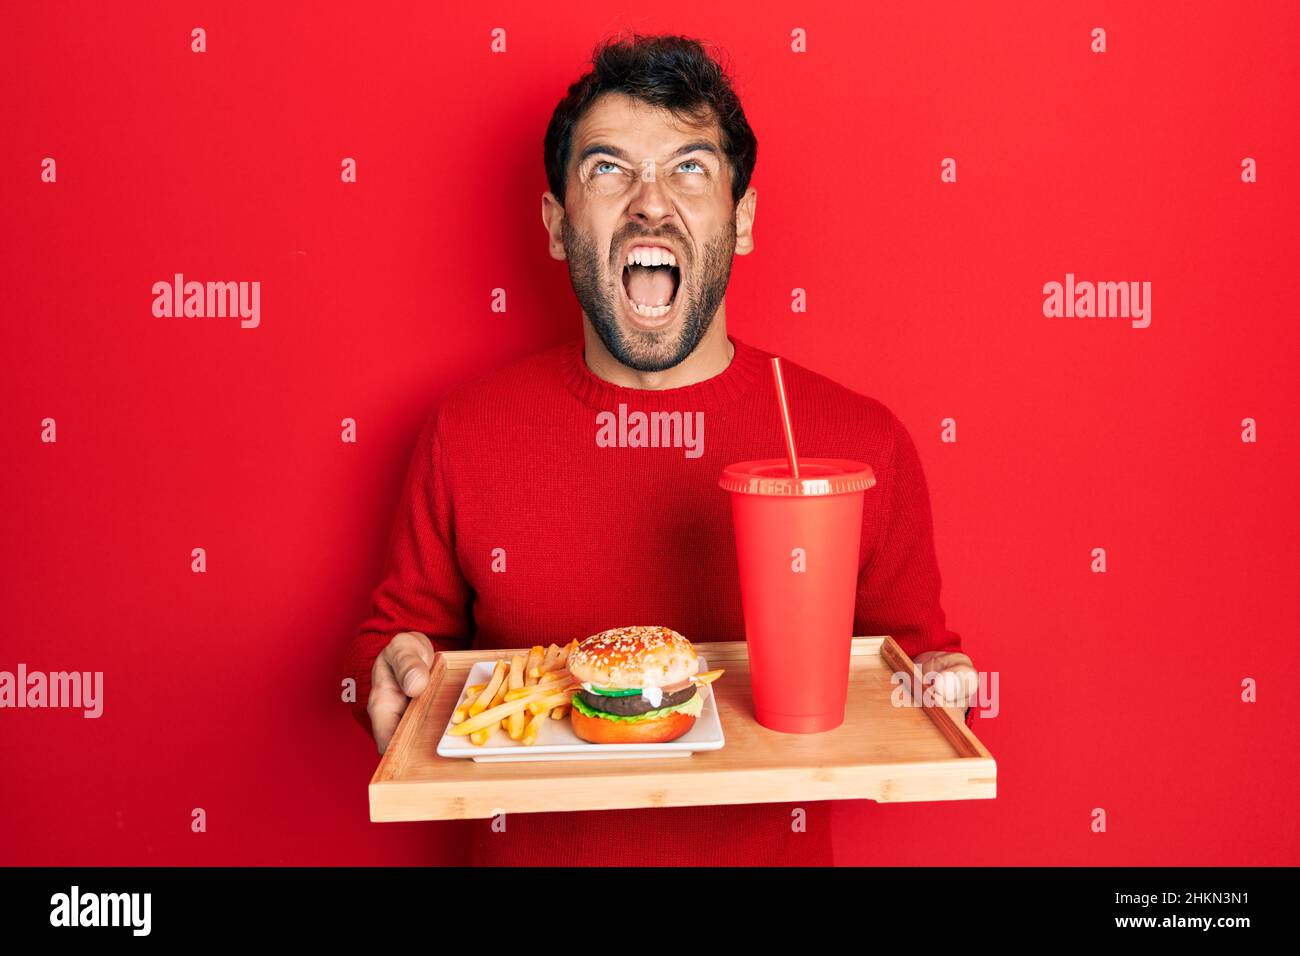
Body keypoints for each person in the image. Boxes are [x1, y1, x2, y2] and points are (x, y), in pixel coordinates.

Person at [343, 32, 978, 867]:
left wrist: (946, 684)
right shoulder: (465, 432)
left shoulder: (856, 442)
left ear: (742, 221)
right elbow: (392, 646)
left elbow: (917, 663)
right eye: (608, 169)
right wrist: (388, 677)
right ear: (557, 225)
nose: (649, 203)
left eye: (689, 168)